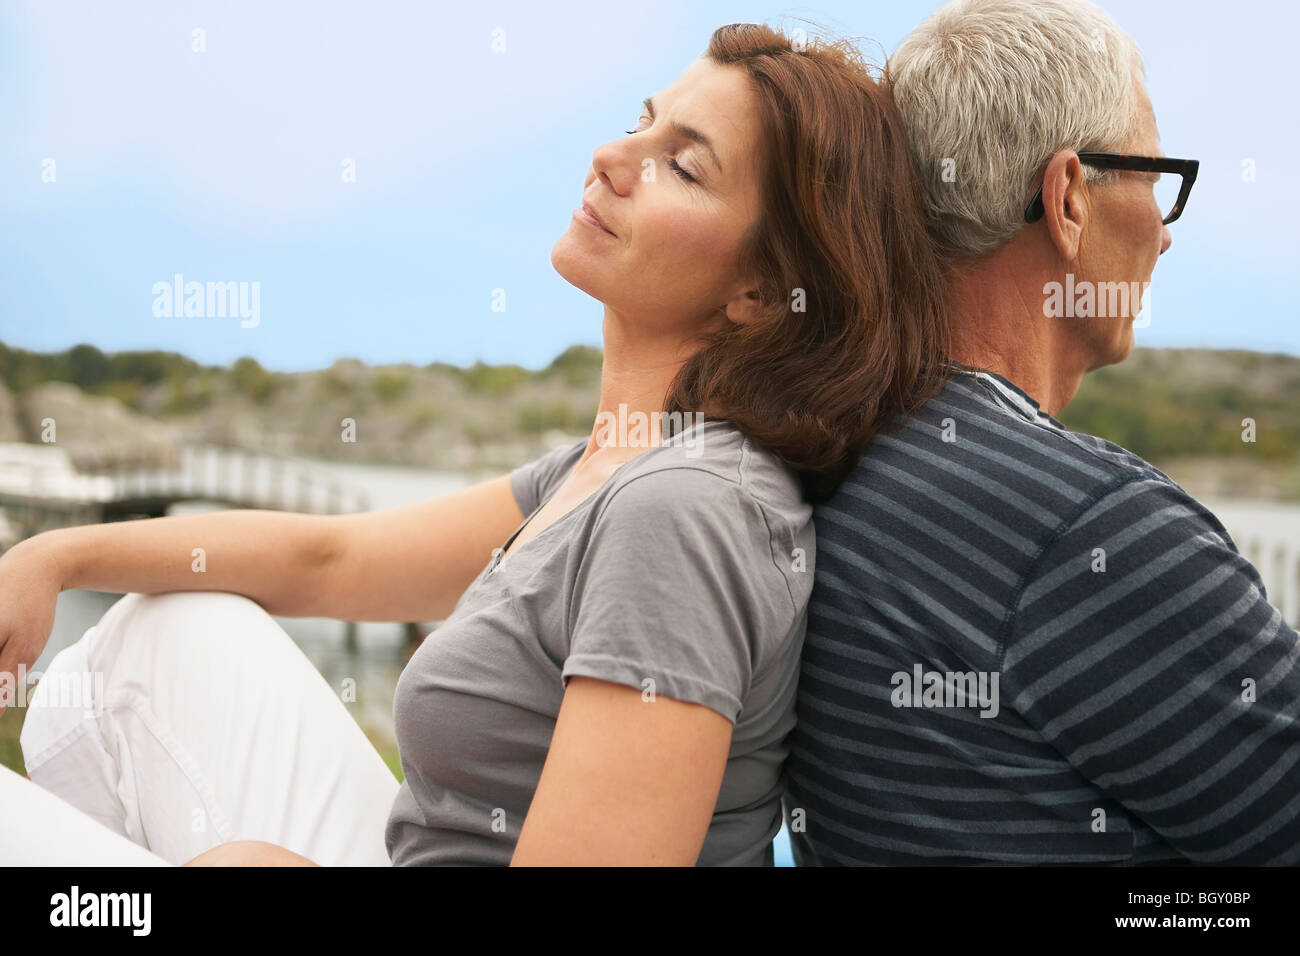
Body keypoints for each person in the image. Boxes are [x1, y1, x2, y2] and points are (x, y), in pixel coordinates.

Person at [0, 22, 950, 866]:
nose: (614, 157)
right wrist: (55, 555)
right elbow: (334, 557)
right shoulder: (611, 466)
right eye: (641, 121)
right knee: (162, 629)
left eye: (684, 165)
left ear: (758, 291)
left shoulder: (683, 514)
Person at [786, 0, 1300, 865]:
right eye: (1153, 175)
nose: (1167, 235)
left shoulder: (832, 449)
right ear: (1066, 198)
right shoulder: (1088, 528)